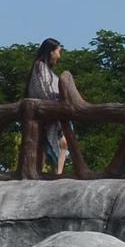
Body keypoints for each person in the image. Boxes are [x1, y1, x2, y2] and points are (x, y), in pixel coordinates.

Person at [25, 37, 73, 177]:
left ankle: (58, 172)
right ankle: (51, 172)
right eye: (59, 51)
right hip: (46, 111)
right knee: (49, 143)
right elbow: (42, 89)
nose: (59, 54)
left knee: (63, 142)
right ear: (51, 52)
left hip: (54, 110)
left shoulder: (47, 70)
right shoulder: (40, 66)